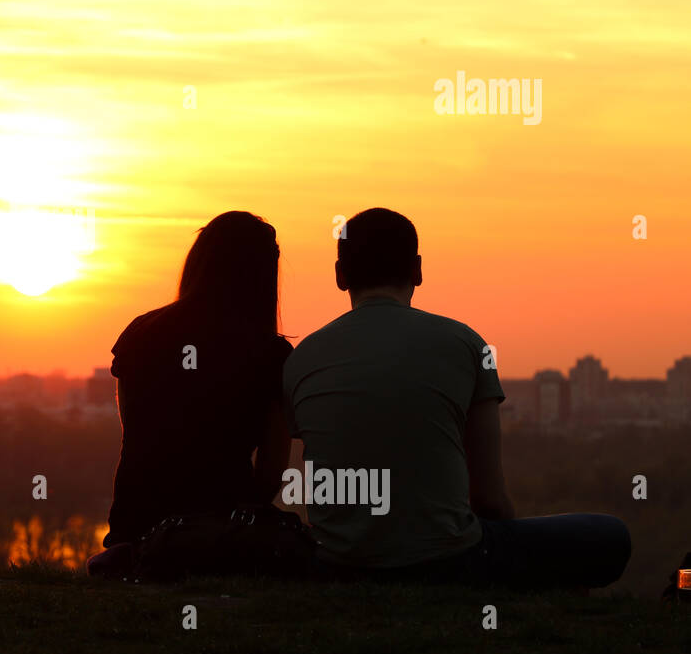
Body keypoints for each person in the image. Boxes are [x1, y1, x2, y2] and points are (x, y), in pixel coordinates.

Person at [282, 207, 630, 588]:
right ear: (417, 269)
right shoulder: (464, 342)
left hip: (338, 565)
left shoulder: (303, 358)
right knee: (609, 534)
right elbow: (491, 500)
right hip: (448, 562)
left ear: (339, 274)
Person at [88, 211, 293, 577]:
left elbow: (134, 437)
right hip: (223, 530)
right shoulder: (269, 353)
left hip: (136, 531)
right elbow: (271, 470)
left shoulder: (140, 333)